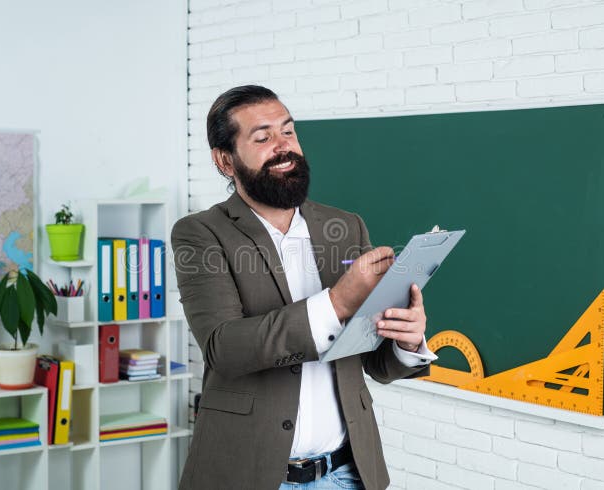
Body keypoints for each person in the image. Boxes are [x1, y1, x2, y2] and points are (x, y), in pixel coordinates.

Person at [172, 85, 436, 490]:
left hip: (348, 474)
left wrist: (407, 340)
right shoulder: (201, 233)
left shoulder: (346, 226)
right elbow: (224, 348)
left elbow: (373, 363)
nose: (283, 147)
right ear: (225, 161)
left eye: (289, 132)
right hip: (251, 477)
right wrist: (337, 302)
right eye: (262, 138)